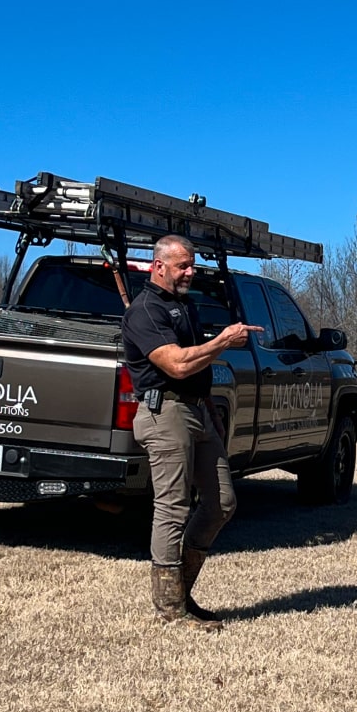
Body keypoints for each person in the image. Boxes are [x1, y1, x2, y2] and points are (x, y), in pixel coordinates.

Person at [121, 234, 263, 632]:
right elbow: (178, 366)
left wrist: (212, 410)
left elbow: (196, 369)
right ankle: (170, 608)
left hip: (198, 412)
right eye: (182, 265)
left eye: (192, 264)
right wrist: (223, 341)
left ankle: (181, 594)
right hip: (165, 412)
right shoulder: (145, 311)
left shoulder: (183, 305)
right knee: (173, 506)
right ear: (158, 266)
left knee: (222, 502)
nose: (190, 271)